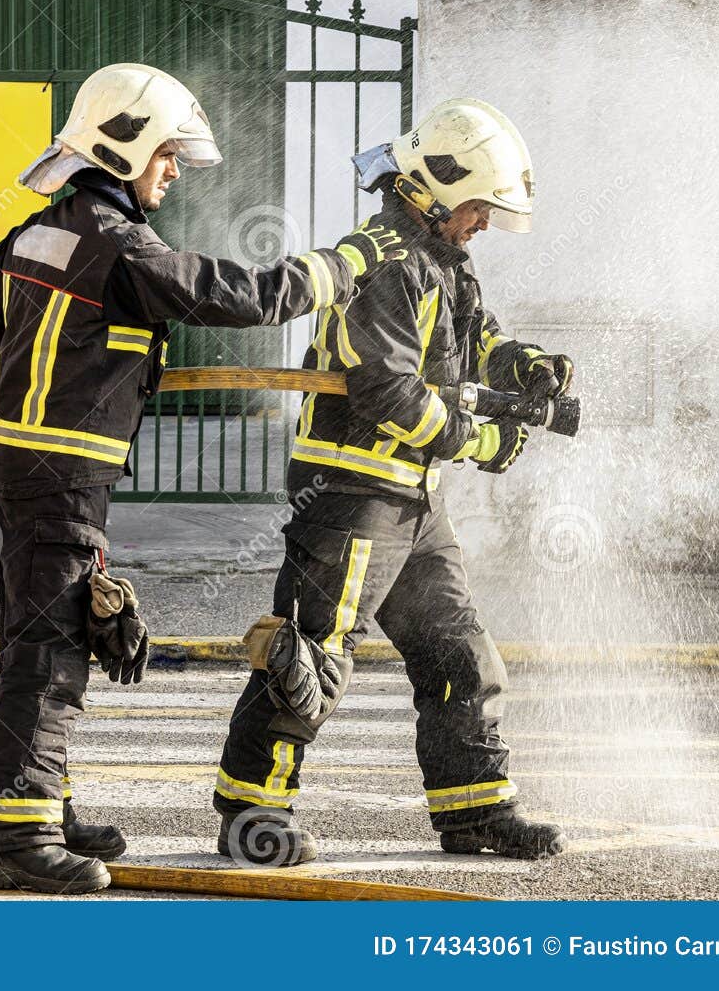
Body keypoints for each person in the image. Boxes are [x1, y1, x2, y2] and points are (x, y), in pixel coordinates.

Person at [0, 62, 403, 894]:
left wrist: (60, 361)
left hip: (25, 461)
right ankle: (18, 832)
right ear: (122, 148)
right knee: (51, 650)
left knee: (42, 632)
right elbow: (240, 295)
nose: (172, 173)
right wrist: (340, 266)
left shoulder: (37, 231)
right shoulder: (123, 247)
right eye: (166, 156)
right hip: (63, 472)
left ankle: (31, 804)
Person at [212, 98, 573, 865]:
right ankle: (251, 814)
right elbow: (388, 391)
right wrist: (481, 438)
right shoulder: (385, 261)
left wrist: (525, 366)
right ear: (442, 192)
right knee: (311, 654)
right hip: (350, 496)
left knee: (458, 653)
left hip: (410, 498)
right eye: (479, 207)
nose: (483, 222)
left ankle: (474, 809)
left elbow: (476, 341)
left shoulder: (440, 260)